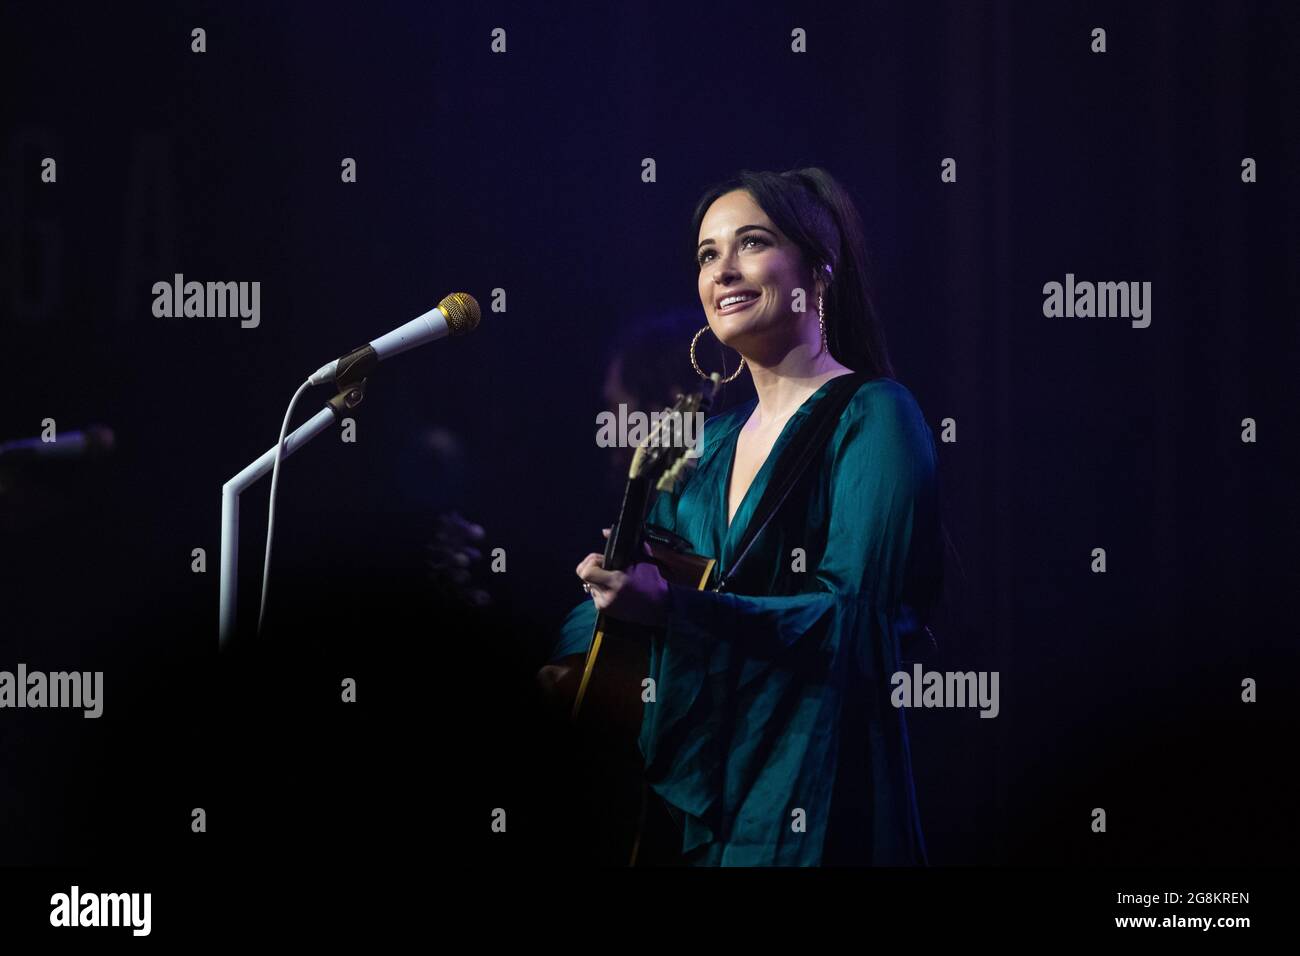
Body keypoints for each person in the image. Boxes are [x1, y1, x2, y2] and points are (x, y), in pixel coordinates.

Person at [543, 167, 943, 866]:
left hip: (810, 781)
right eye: (706, 254)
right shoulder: (707, 444)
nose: (723, 270)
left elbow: (852, 617)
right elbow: (639, 565)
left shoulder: (876, 417)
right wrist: (572, 657)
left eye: (750, 243)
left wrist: (674, 611)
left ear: (817, 271)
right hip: (696, 790)